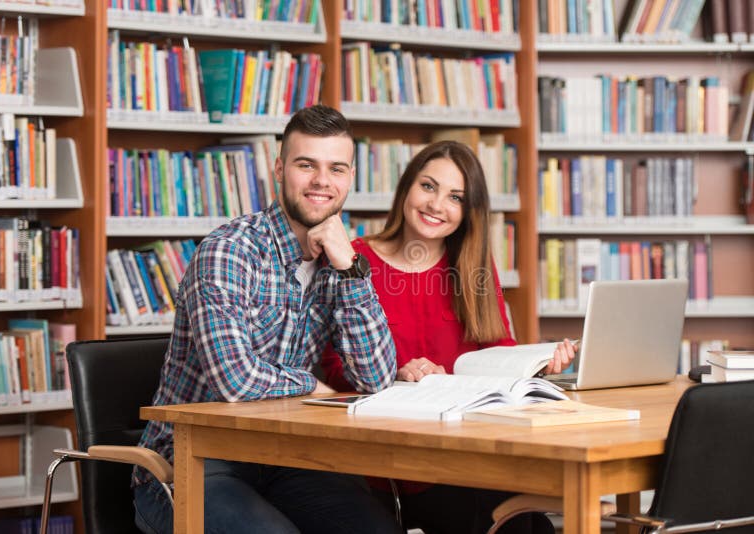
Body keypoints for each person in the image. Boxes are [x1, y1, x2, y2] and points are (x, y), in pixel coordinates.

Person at [132, 105, 401, 534]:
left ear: (351, 177)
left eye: (337, 168)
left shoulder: (339, 261)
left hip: (282, 460)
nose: (321, 181)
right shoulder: (229, 252)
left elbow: (379, 378)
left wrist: (350, 267)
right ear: (279, 168)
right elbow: (236, 382)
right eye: (305, 164)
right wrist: (308, 384)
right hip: (191, 465)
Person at [322, 140, 577, 534]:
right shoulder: (353, 261)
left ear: (468, 211)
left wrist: (536, 366)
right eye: (428, 186)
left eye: (455, 197)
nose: (437, 205)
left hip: (465, 453)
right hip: (387, 461)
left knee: (529, 524)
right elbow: (330, 364)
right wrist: (394, 374)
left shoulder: (472, 266)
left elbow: (497, 350)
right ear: (407, 187)